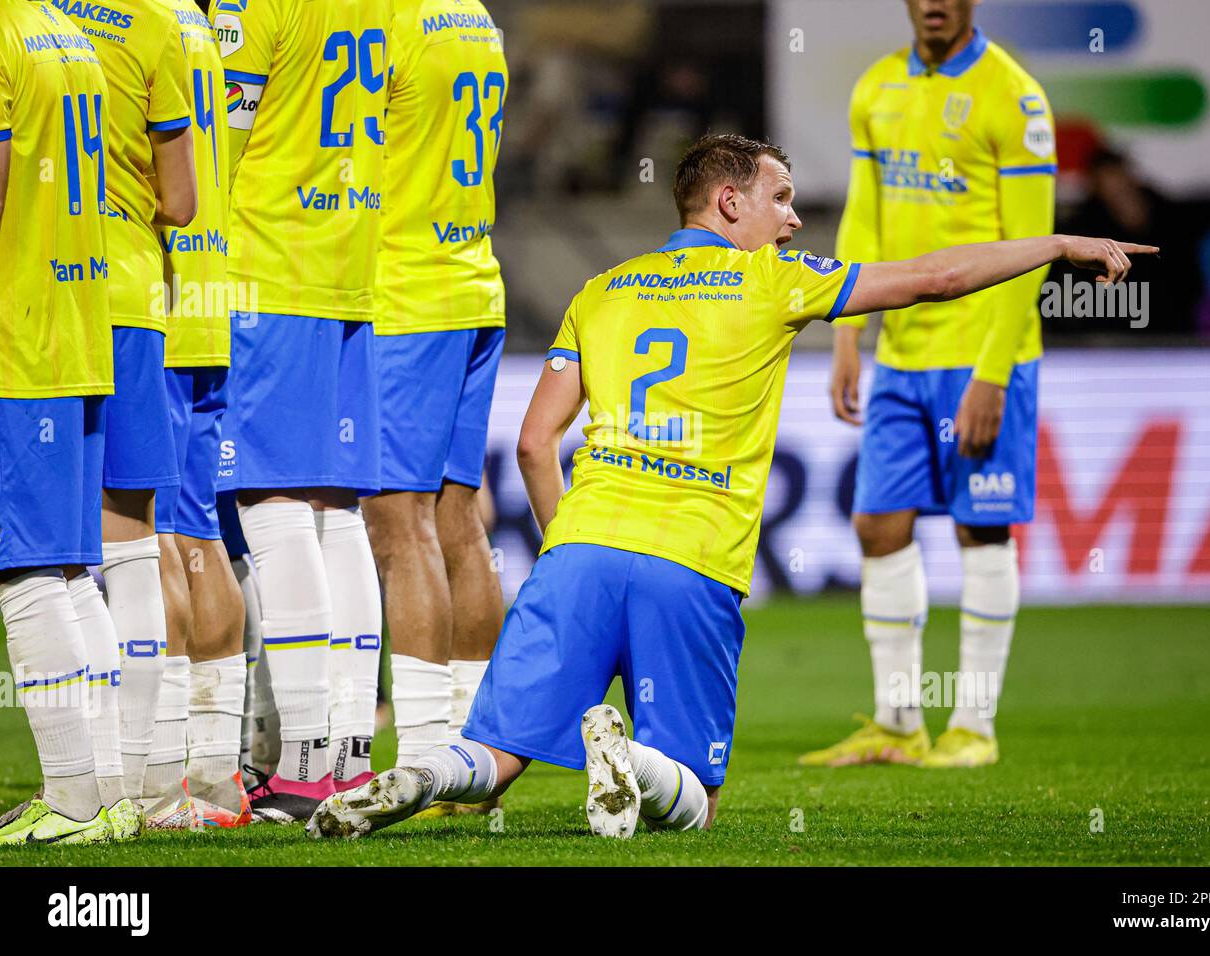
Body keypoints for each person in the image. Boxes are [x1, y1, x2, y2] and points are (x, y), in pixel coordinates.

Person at [306, 133, 1155, 840]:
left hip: (580, 552)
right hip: (693, 560)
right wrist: (1053, 246)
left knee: (491, 760)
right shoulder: (773, 282)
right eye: (780, 198)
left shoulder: (600, 293)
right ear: (728, 204)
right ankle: (629, 762)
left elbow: (534, 444)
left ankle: (411, 780)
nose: (792, 220)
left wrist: (569, 541)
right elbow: (933, 278)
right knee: (698, 804)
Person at [800, 0, 1057, 770]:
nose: (936, 3)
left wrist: (994, 372)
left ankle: (973, 726)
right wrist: (847, 335)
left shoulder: (1015, 98)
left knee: (981, 529)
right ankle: (899, 721)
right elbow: (864, 223)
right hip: (901, 357)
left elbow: (1034, 247)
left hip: (983, 354)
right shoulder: (875, 88)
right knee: (879, 525)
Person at [216, 0, 393, 822]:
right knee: (336, 508)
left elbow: (221, 136)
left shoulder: (255, 4)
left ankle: (300, 763)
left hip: (269, 269)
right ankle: (351, 752)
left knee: (273, 500)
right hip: (350, 273)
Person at [362, 0, 508, 816]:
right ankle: (476, 760)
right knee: (458, 520)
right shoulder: (476, 18)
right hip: (472, 282)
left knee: (398, 523)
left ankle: (421, 761)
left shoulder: (391, 20)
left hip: (406, 296)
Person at [56, 0, 200, 811]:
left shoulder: (21, 22)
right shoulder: (158, 27)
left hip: (49, 297)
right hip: (134, 298)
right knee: (134, 534)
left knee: (55, 548)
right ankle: (144, 785)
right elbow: (180, 203)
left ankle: (82, 779)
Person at [0, 0, 123, 844]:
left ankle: (76, 800)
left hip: (23, 332)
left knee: (27, 570)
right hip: (80, 324)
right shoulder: (65, 29)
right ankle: (105, 795)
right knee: (73, 570)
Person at [144, 0, 250, 829]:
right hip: (217, 291)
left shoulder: (121, 24)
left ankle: (162, 774)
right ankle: (214, 773)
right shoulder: (201, 28)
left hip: (160, 295)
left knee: (148, 538)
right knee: (201, 531)